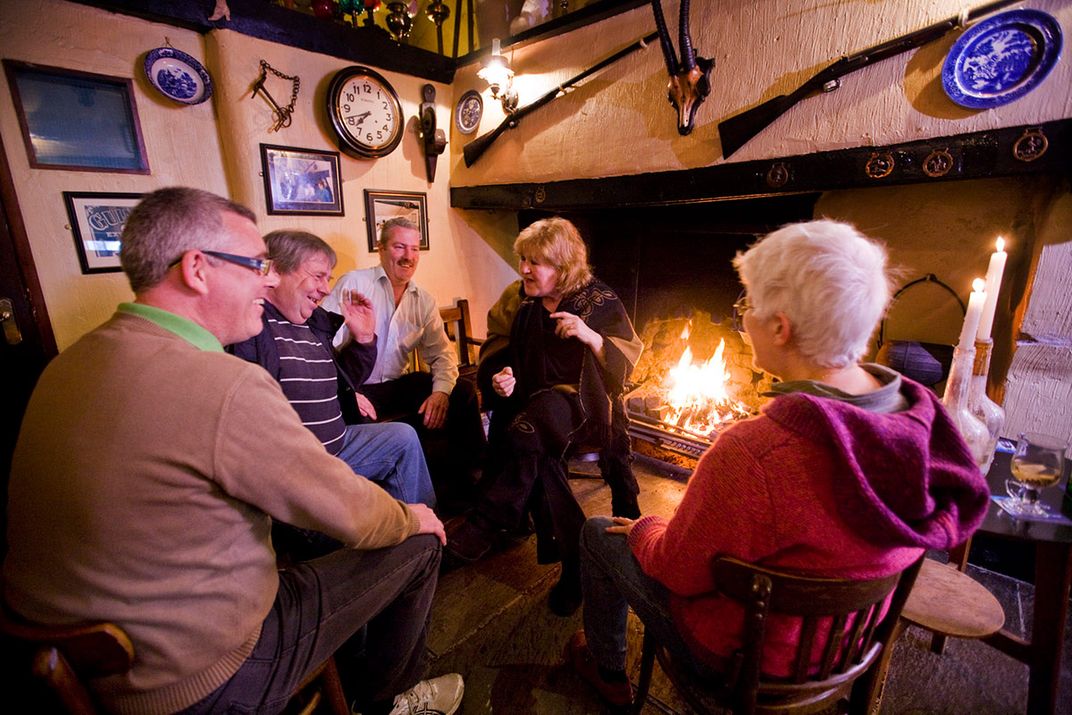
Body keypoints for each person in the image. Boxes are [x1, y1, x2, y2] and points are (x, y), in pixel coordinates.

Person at [2, 188, 463, 715]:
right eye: (256, 264)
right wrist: (412, 516)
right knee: (417, 544)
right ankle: (389, 701)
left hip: (83, 664)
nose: (267, 279)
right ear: (197, 270)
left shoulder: (67, 363)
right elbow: (353, 514)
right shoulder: (222, 381)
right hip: (204, 677)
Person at [564, 219, 991, 708]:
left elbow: (679, 571)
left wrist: (647, 529)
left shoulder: (754, 452)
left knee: (599, 533)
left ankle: (607, 670)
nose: (742, 317)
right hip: (845, 647)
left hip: (747, 658)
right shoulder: (924, 423)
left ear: (780, 327)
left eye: (746, 305)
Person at [444, 217, 643, 618]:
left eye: (535, 262)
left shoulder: (599, 300)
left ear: (564, 266)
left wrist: (589, 335)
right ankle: (575, 565)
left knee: (527, 433)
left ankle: (490, 518)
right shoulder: (519, 299)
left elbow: (627, 366)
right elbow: (498, 349)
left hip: (589, 407)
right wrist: (501, 378)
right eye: (523, 259)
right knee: (534, 447)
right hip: (534, 403)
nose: (524, 270)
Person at [229, 229, 437, 559]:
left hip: (338, 445)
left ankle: (420, 542)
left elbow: (340, 380)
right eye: (318, 276)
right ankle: (405, 555)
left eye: (329, 277)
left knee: (403, 437)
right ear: (276, 272)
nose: (326, 288)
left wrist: (365, 339)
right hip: (300, 467)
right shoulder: (252, 328)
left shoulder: (314, 324)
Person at [322, 217, 486, 498]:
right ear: (381, 249)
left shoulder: (422, 300)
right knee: (358, 418)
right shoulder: (354, 284)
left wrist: (442, 392)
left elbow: (442, 355)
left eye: (414, 249)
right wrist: (345, 391)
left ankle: (476, 482)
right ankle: (391, 505)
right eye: (399, 247)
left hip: (395, 386)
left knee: (464, 393)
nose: (408, 257)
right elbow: (322, 345)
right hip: (358, 386)